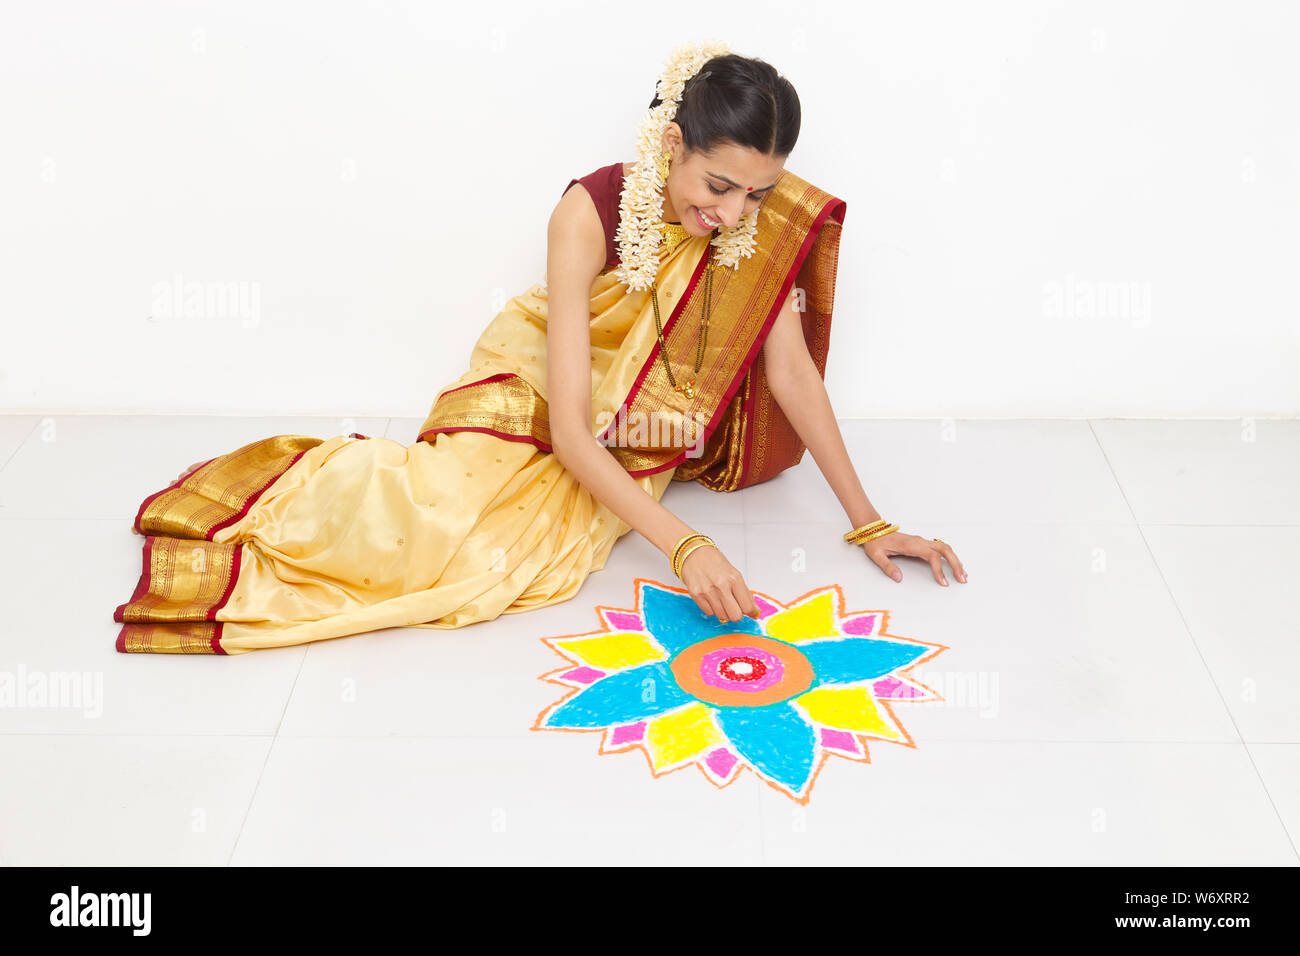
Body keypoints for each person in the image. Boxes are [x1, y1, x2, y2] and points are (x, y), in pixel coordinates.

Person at [112, 42, 966, 656]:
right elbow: (572, 433)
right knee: (445, 532)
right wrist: (682, 544)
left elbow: (791, 373)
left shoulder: (747, 234)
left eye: (760, 192)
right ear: (674, 145)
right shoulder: (586, 210)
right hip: (544, 385)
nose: (737, 214)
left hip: (640, 420)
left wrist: (870, 523)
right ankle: (271, 502)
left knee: (522, 560)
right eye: (718, 186)